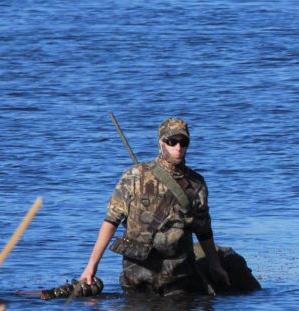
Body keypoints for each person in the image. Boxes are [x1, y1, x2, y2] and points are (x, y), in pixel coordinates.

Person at [78, 118, 230, 295]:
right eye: (171, 142)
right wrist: (91, 266)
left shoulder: (196, 185)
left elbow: (204, 231)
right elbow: (111, 221)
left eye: (183, 142)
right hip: (137, 273)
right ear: (161, 142)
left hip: (178, 276)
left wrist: (215, 266)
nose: (178, 148)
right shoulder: (134, 177)